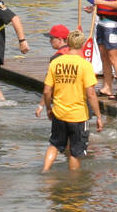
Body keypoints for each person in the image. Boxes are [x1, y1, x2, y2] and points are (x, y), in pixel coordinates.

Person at [38, 29, 102, 172]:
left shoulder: (56, 63)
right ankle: (73, 185)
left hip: (59, 113)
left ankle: (44, 171)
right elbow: (91, 93)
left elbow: (47, 90)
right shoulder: (85, 65)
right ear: (82, 45)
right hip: (78, 115)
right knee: (75, 152)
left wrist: (48, 108)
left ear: (67, 43)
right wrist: (98, 116)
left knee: (54, 145)